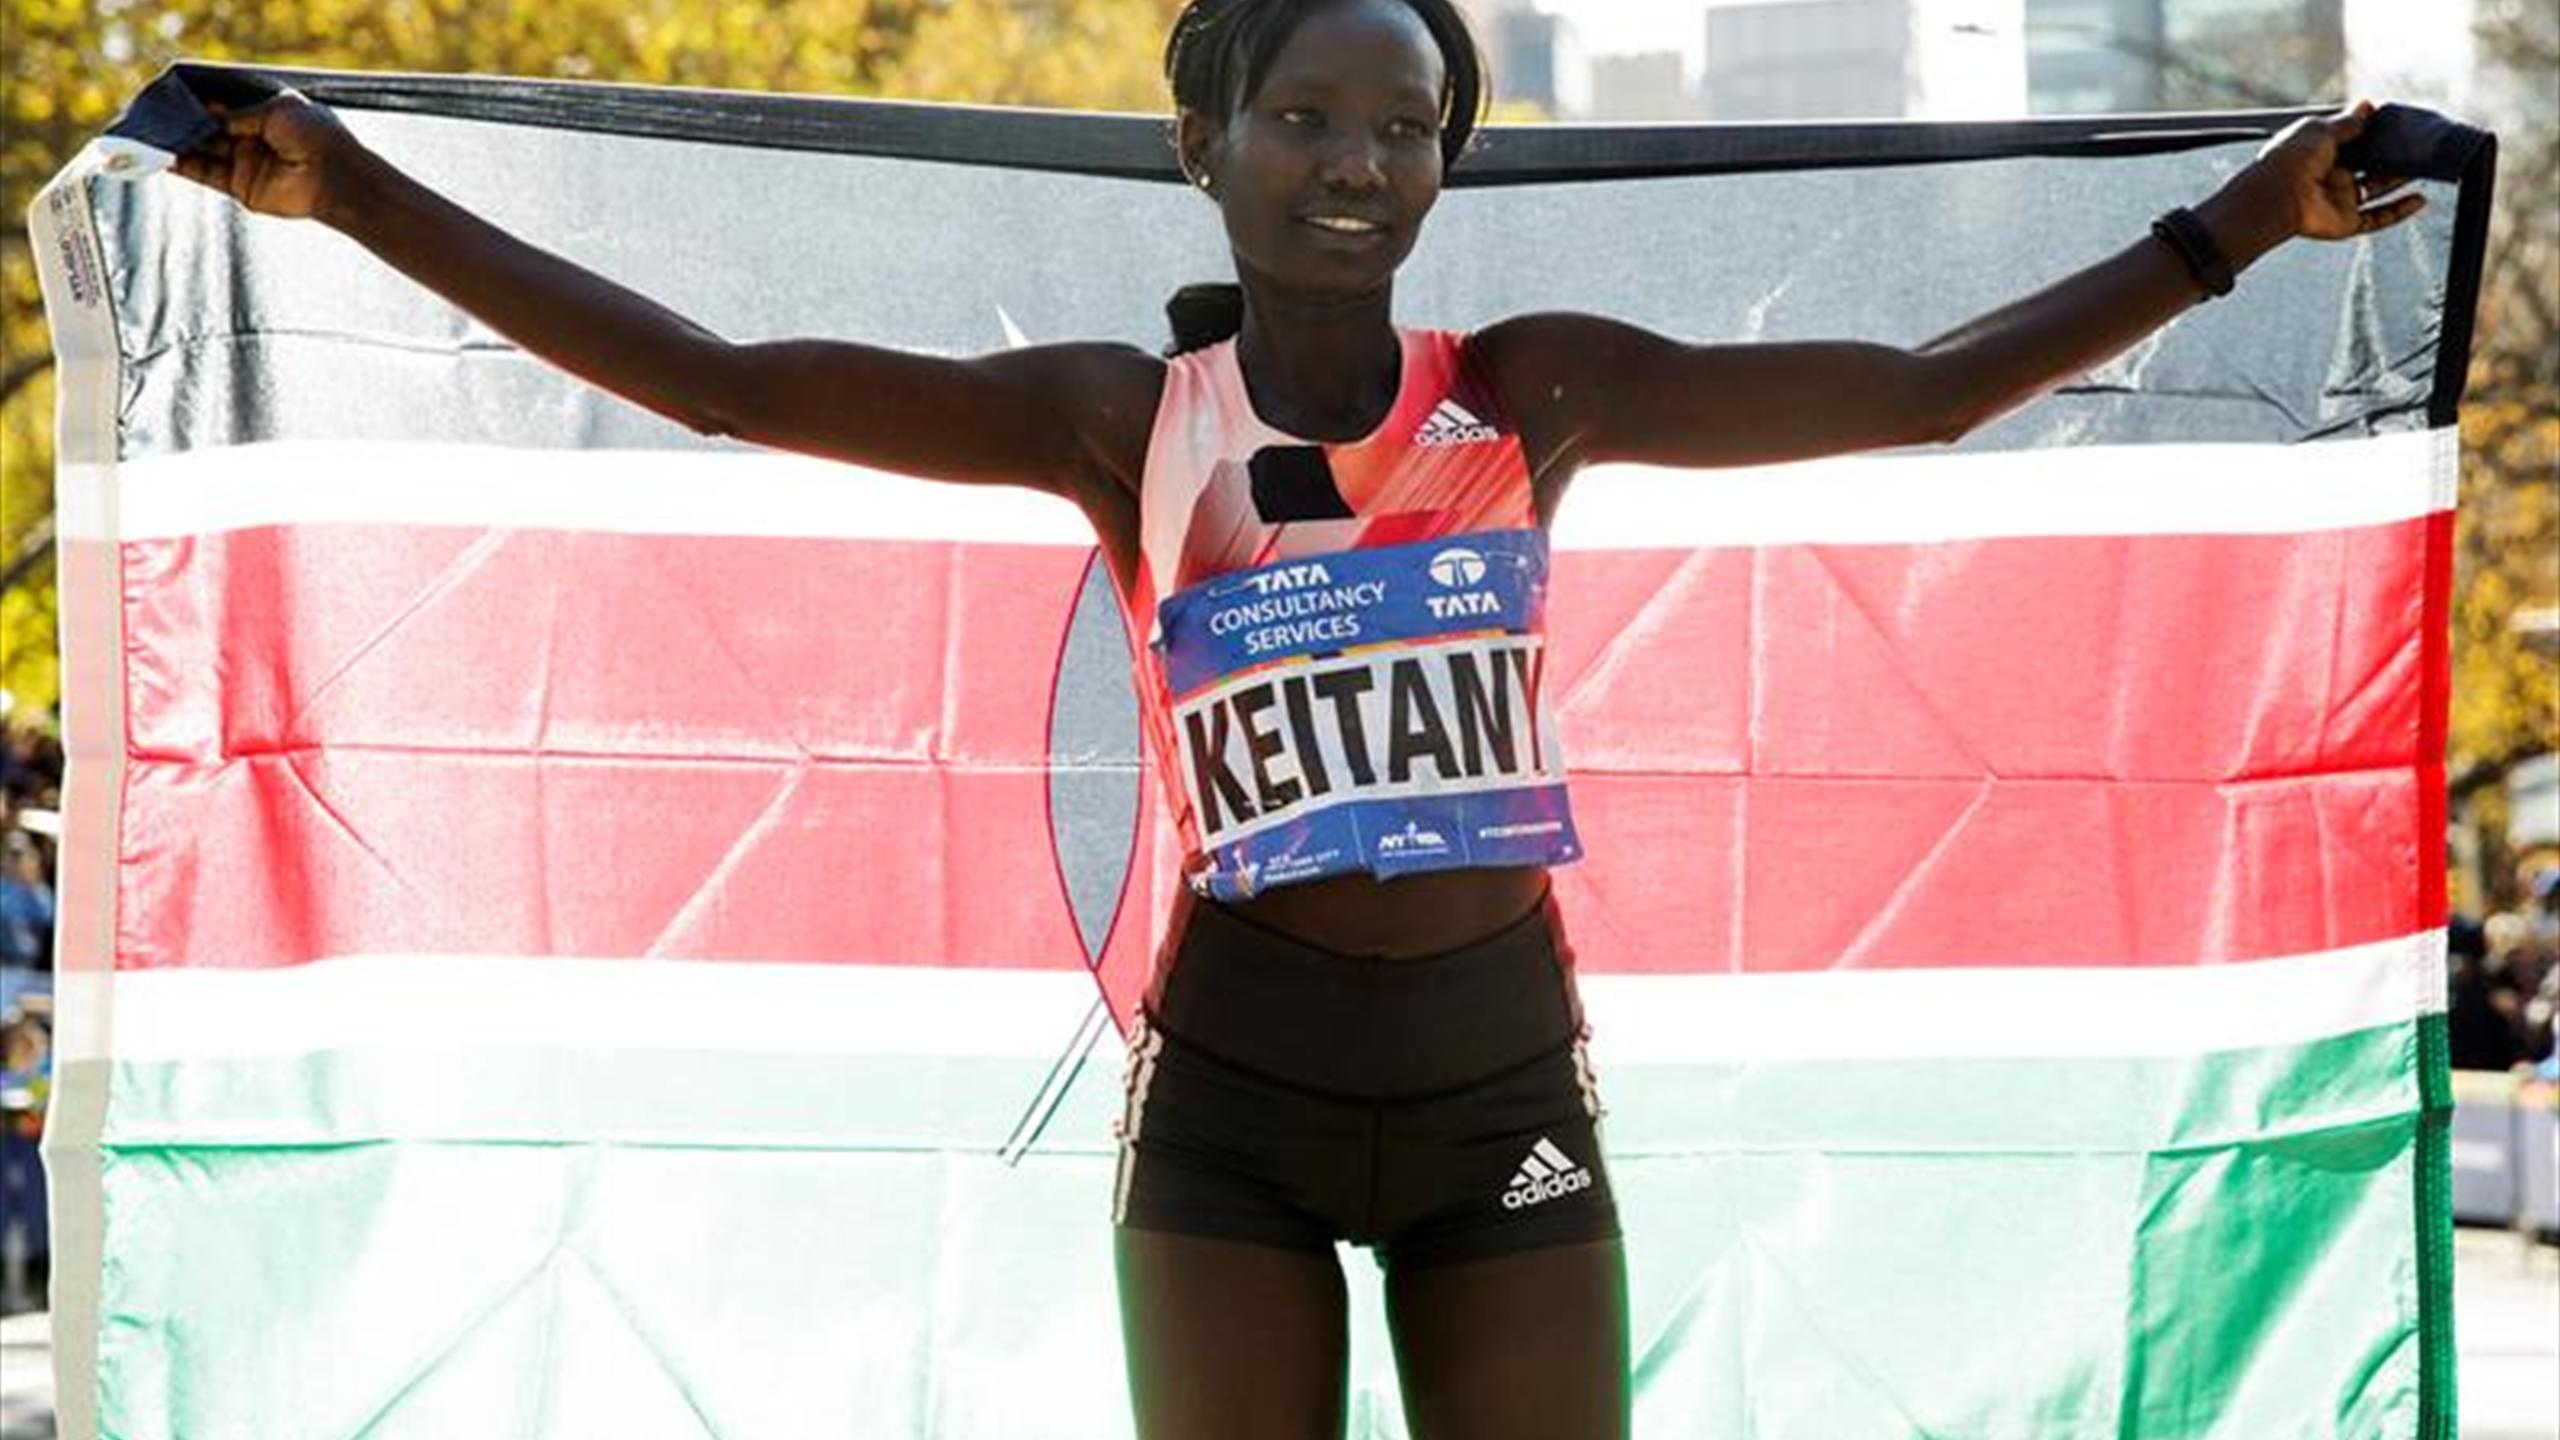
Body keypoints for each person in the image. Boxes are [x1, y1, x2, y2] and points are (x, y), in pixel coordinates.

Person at [171, 2, 2424, 1433]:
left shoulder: (1531, 389)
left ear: (1446, 163)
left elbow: (1923, 398)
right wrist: (346, 186)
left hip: (1496, 1093)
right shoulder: (1108, 419)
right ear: (1206, 144)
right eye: (1308, 117)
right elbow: (729, 388)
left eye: (1408, 126)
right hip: (1232, 1100)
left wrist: (2234, 226)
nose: (1360, 162)